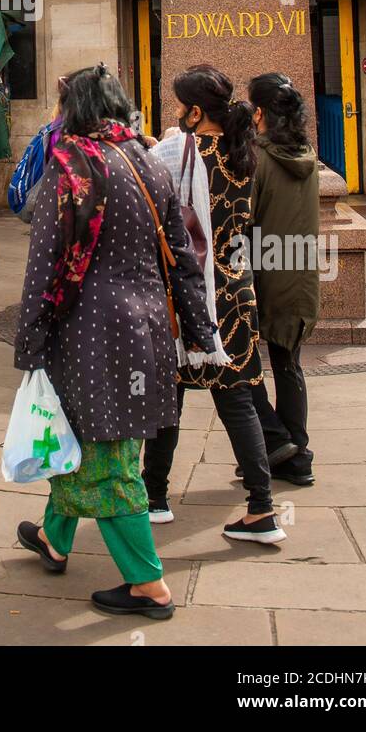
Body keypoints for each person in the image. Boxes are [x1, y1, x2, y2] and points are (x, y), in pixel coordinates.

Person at [13, 64, 218, 619]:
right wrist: (201, 330)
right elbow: (185, 256)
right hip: (146, 328)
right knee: (81, 436)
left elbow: (43, 263)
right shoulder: (150, 160)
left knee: (110, 456)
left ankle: (148, 585)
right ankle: (56, 540)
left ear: (72, 110)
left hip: (91, 333)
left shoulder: (71, 167)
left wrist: (28, 339)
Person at [142, 65, 287, 545]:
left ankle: (155, 498)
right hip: (234, 288)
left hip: (185, 295)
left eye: (181, 105)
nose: (177, 112)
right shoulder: (246, 152)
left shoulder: (178, 152)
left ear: (196, 111)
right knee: (238, 398)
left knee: (169, 397)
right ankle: (262, 509)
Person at [247, 72, 320, 486]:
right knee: (289, 366)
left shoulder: (258, 156)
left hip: (264, 277)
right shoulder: (307, 152)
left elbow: (245, 217)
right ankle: (297, 450)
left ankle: (277, 449)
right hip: (301, 274)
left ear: (258, 112)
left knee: (247, 370)